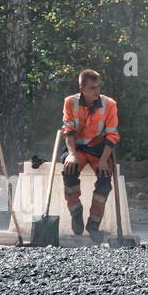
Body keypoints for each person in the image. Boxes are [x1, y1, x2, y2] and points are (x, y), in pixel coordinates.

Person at [60, 70, 120, 243]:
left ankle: (94, 224)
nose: (96, 91)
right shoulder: (70, 102)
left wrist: (103, 161)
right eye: (92, 88)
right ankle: (76, 212)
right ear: (82, 89)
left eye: (98, 87)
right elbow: (68, 130)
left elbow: (112, 135)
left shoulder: (110, 105)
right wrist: (71, 154)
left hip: (98, 150)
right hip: (77, 148)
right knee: (69, 171)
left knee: (104, 180)